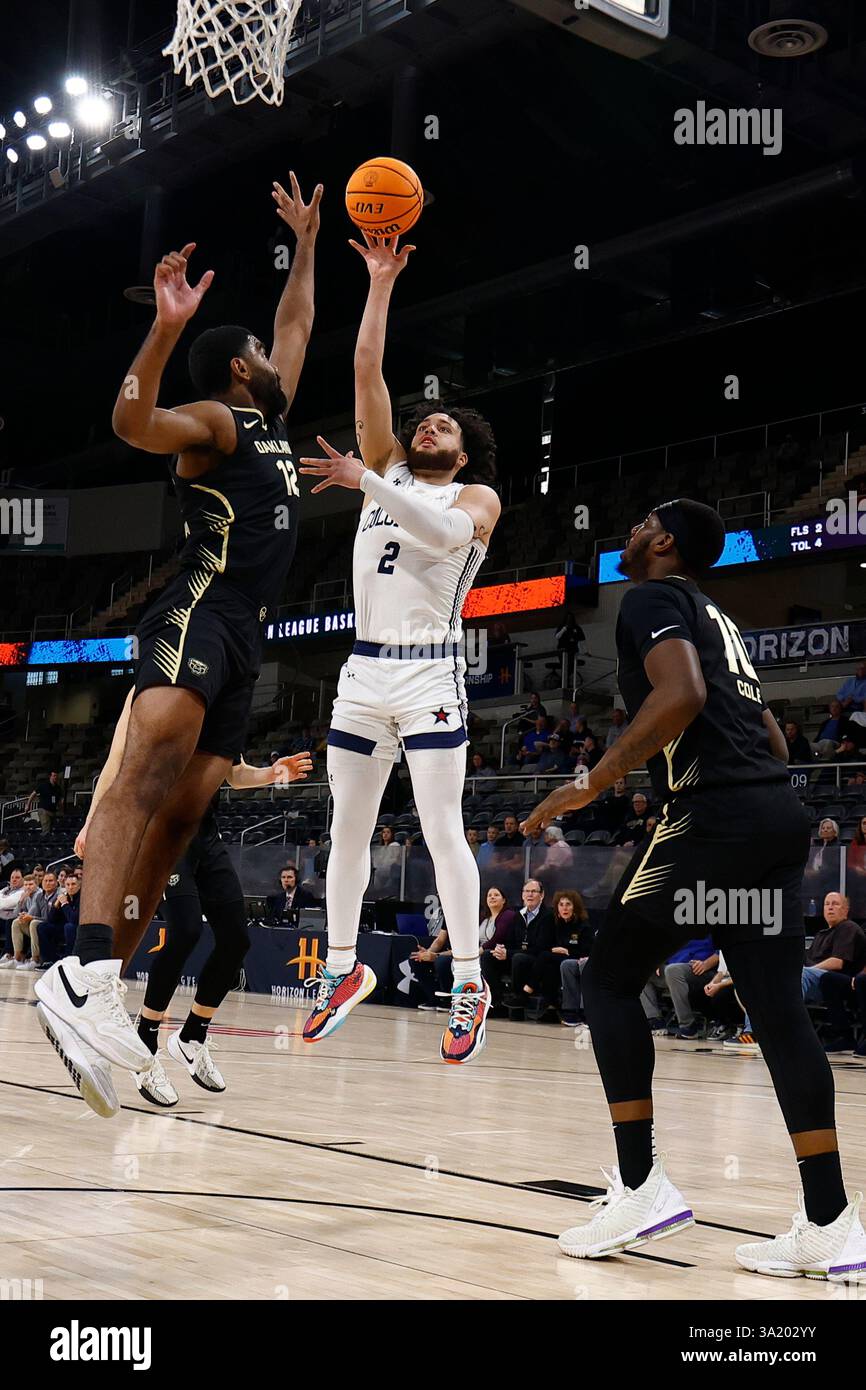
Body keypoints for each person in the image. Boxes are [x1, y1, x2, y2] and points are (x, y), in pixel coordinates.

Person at [522, 498, 866, 1279]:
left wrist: (592, 781)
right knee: (778, 1014)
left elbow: (681, 697)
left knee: (608, 980)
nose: (632, 527)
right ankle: (830, 1223)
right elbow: (772, 733)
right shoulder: (719, 617)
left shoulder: (651, 597)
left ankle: (643, 1186)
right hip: (775, 821)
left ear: (664, 541)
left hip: (714, 818)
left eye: (643, 520)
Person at [34, 174, 321, 1107]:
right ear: (240, 367)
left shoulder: (271, 418)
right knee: (141, 786)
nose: (279, 361)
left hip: (246, 641)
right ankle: (79, 969)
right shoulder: (215, 421)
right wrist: (163, 329)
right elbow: (131, 422)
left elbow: (299, 327)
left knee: (183, 819)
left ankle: (102, 988)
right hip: (196, 614)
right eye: (262, 357)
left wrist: (308, 244)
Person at [297, 230, 500, 1065]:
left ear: (463, 449)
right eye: (425, 419)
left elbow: (439, 528)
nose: (429, 423)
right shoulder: (383, 462)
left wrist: (368, 481)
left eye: (444, 423)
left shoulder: (476, 495)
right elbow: (366, 371)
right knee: (347, 829)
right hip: (361, 671)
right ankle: (342, 970)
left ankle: (468, 982)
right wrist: (379, 282)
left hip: (429, 674)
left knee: (441, 829)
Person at [67, 685, 313, 1114]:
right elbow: (115, 764)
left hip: (206, 834)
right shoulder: (159, 690)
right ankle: (144, 1047)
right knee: (184, 931)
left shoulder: (223, 698)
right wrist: (94, 822)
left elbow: (234, 775)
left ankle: (192, 1036)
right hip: (163, 833)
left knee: (237, 939)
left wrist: (275, 773)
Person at [801, 892, 866, 1005]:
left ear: (846, 910)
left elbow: (837, 962)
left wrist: (808, 972)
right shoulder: (820, 934)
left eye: (835, 904)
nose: (830, 907)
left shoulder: (848, 927)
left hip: (835, 981)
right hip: (812, 978)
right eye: (827, 904)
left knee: (801, 975)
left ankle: (787, 1018)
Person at [502, 880, 556, 1010]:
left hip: (536, 959)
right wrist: (502, 950)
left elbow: (541, 948)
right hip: (517, 954)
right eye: (526, 891)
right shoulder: (518, 915)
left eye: (533, 891)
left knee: (519, 958)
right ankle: (496, 1001)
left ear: (542, 895)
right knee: (488, 956)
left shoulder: (548, 916)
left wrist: (509, 953)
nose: (529, 895)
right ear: (522, 895)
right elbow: (510, 941)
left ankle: (519, 997)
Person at [555, 890, 595, 1027]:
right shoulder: (556, 924)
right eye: (561, 905)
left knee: (582, 964)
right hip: (568, 961)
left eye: (568, 904)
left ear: (575, 907)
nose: (564, 908)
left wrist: (568, 950)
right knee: (566, 964)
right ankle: (571, 1011)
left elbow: (588, 950)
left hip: (587, 961)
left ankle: (587, 1011)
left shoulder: (584, 925)